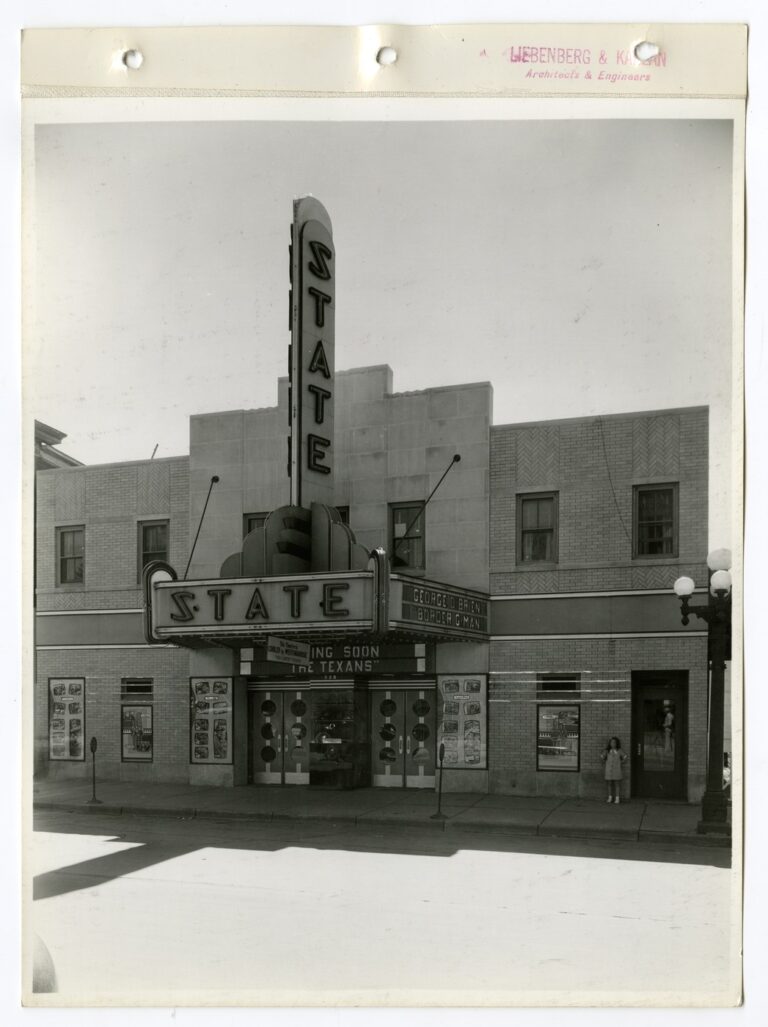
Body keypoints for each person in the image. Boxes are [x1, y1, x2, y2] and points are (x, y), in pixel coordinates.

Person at [601, 736, 628, 803]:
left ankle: (617, 798)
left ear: (617, 743)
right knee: (609, 784)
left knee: (617, 784)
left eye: (614, 742)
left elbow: (625, 757)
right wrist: (605, 760)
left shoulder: (619, 751)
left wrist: (621, 762)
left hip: (617, 770)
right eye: (611, 742)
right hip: (609, 770)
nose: (613, 744)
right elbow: (602, 757)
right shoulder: (607, 751)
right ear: (609, 743)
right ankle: (610, 797)